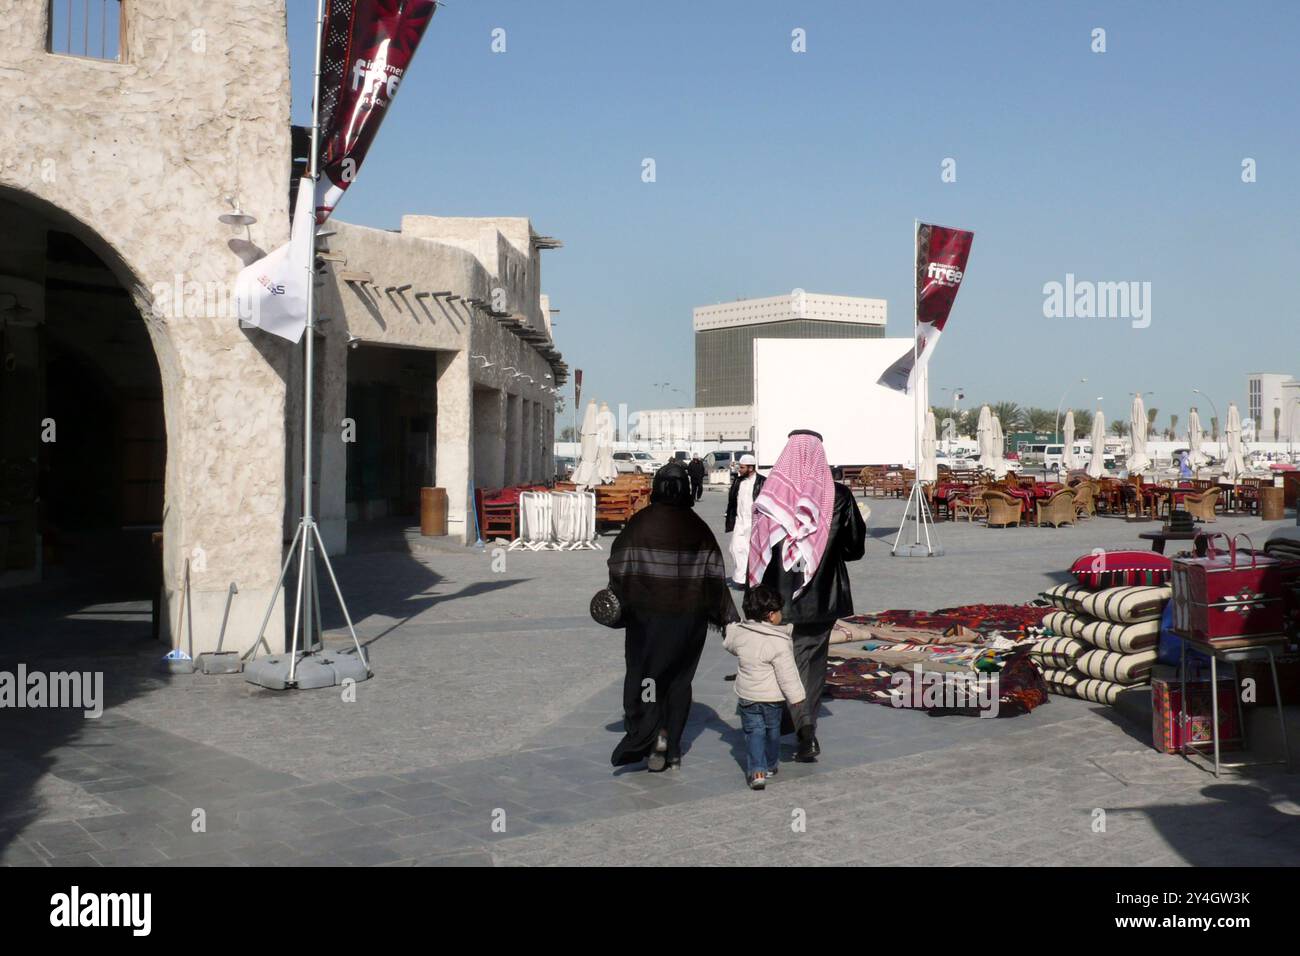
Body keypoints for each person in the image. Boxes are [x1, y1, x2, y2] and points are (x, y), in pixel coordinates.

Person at [608, 462, 738, 771]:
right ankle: (672, 742)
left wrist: (626, 595)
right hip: (688, 620)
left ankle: (651, 734)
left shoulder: (641, 523)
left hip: (647, 620)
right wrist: (725, 614)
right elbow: (714, 574)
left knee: (649, 677)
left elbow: (619, 562)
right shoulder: (698, 527)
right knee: (679, 681)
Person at [747, 429, 866, 758]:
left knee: (777, 664)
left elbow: (755, 550)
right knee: (811, 666)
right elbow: (855, 548)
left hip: (774, 602)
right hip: (820, 599)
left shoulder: (769, 493)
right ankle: (804, 728)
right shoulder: (838, 497)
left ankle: (789, 727)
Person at [723, 585, 815, 790]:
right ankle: (771, 764)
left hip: (747, 696)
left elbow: (730, 643)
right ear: (772, 615)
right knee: (772, 732)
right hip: (772, 700)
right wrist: (797, 697)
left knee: (753, 732)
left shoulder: (741, 634)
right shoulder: (778, 642)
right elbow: (787, 674)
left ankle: (757, 770)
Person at [724, 453, 765, 588]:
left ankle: (751, 579)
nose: (739, 470)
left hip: (755, 522)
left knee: (751, 551)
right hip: (739, 521)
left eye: (742, 467)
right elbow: (732, 501)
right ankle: (741, 578)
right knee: (734, 548)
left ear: (751, 468)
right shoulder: (738, 481)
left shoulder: (762, 482)